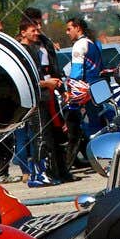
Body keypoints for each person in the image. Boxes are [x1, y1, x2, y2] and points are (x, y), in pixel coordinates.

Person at [16, 14, 70, 185]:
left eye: (38, 30)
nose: (37, 33)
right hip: (36, 99)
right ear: (23, 32)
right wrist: (46, 83)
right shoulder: (23, 51)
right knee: (39, 135)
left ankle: (47, 170)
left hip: (45, 96)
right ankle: (38, 173)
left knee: (46, 135)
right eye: (33, 30)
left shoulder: (35, 49)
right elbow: (26, 79)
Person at [62, 16, 106, 166]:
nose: (67, 33)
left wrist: (69, 91)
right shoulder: (94, 43)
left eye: (69, 29)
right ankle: (103, 154)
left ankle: (93, 158)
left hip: (85, 92)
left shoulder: (79, 45)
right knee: (99, 123)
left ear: (78, 28)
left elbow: (76, 73)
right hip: (98, 88)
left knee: (85, 127)